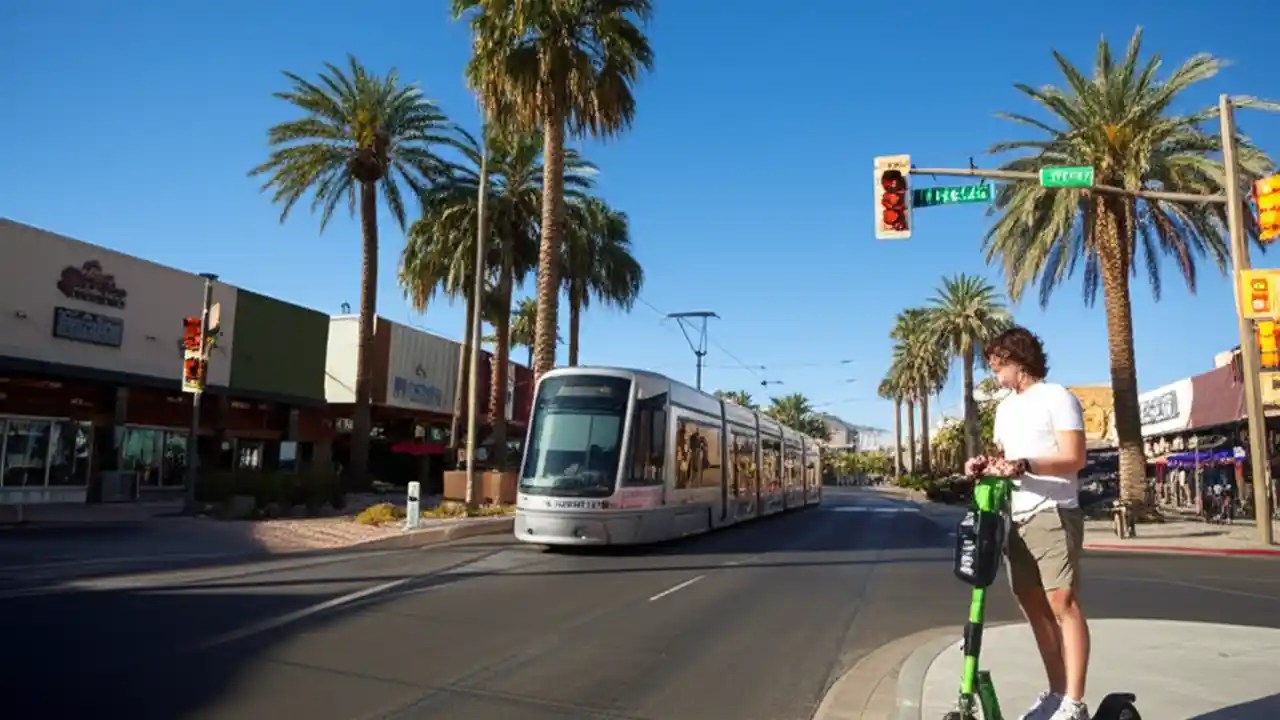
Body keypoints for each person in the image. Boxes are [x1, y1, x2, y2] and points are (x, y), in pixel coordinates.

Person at [963, 326, 1090, 720]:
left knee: (1061, 602)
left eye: (997, 364)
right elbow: (1007, 458)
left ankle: (1074, 702)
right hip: (1016, 516)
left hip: (1054, 510)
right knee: (1033, 606)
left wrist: (1026, 465)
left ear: (1018, 361)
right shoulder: (1005, 410)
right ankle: (1056, 692)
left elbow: (1075, 457)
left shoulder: (1057, 397)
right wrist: (985, 465)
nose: (994, 373)